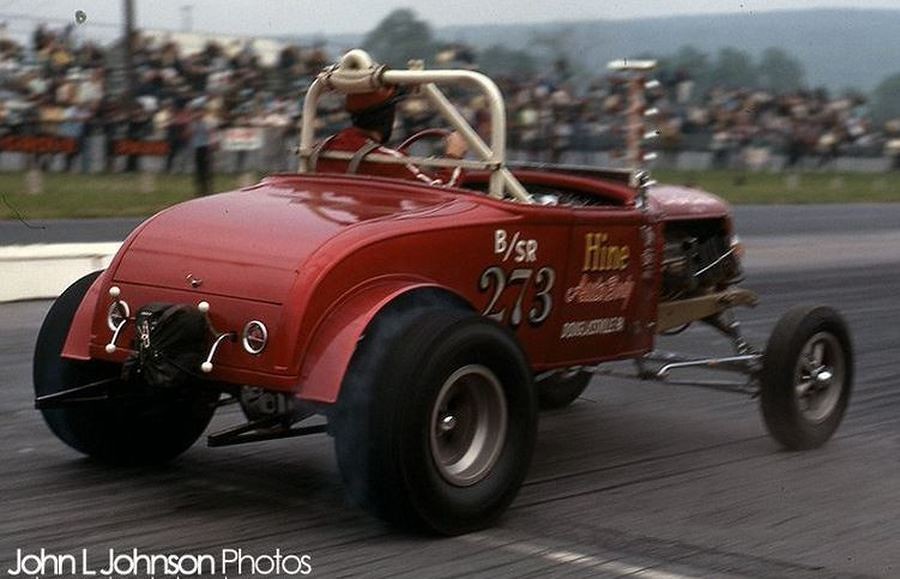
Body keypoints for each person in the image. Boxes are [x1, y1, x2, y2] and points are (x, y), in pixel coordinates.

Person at [315, 86, 467, 187]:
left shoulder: (323, 148)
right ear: (388, 115)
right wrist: (453, 156)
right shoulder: (388, 161)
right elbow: (443, 192)